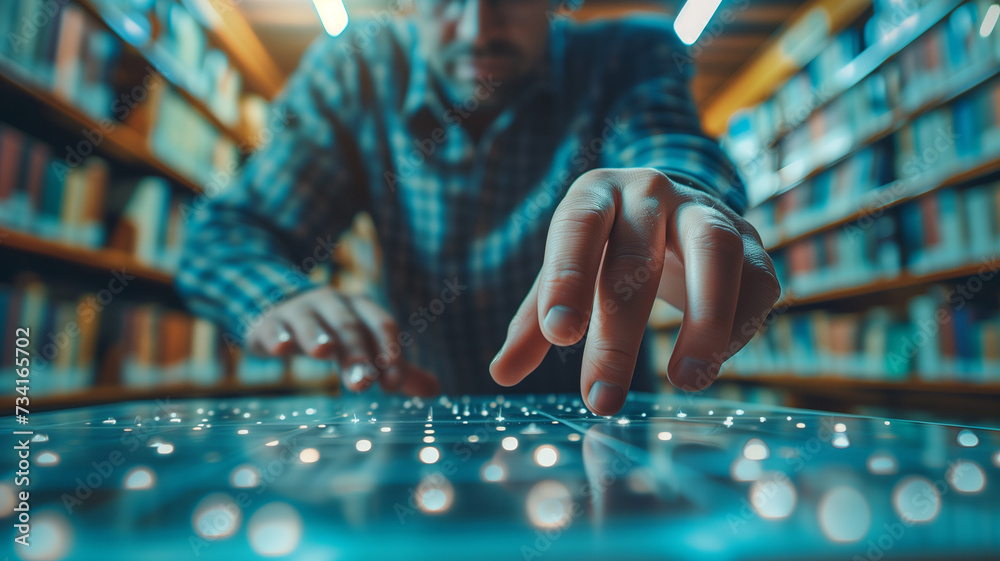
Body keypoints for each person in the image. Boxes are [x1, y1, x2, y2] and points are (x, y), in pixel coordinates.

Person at [175, 0, 780, 415]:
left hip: (595, 433)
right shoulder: (355, 70)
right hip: (408, 437)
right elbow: (226, 233)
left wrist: (676, 201)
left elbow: (671, 151)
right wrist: (280, 298)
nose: (475, 27)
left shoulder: (627, 54)